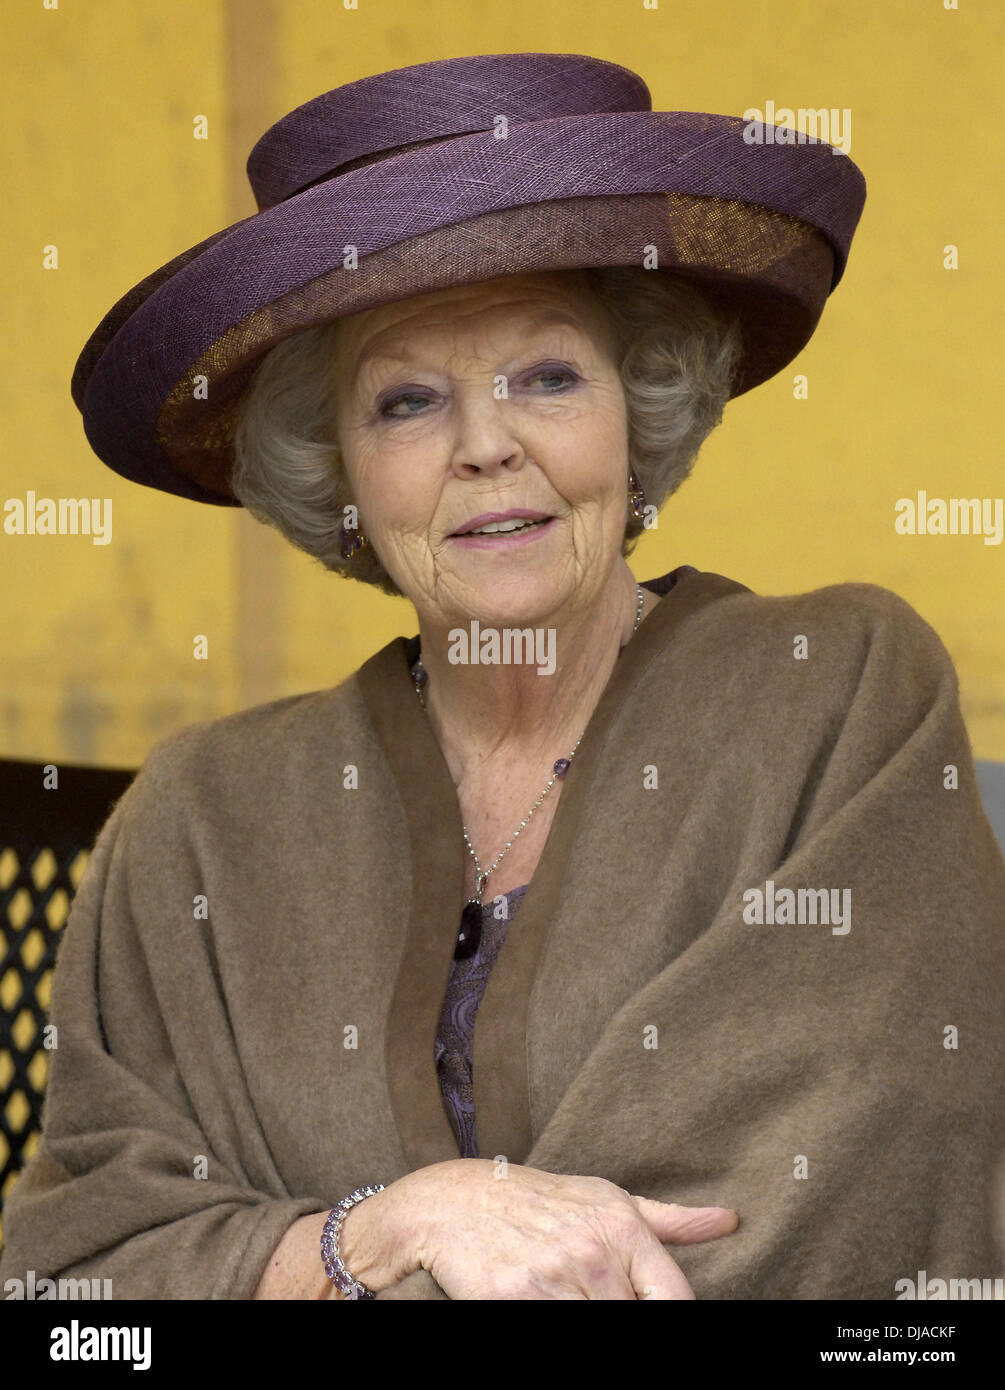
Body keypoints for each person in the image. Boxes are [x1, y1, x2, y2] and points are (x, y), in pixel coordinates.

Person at [2, 53, 1002, 1302]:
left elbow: (847, 1202)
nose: (487, 447)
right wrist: (388, 1228)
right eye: (408, 402)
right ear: (343, 479)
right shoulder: (200, 821)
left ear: (638, 414)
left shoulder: (841, 696)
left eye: (548, 376)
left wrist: (285, 1271)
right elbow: (76, 1291)